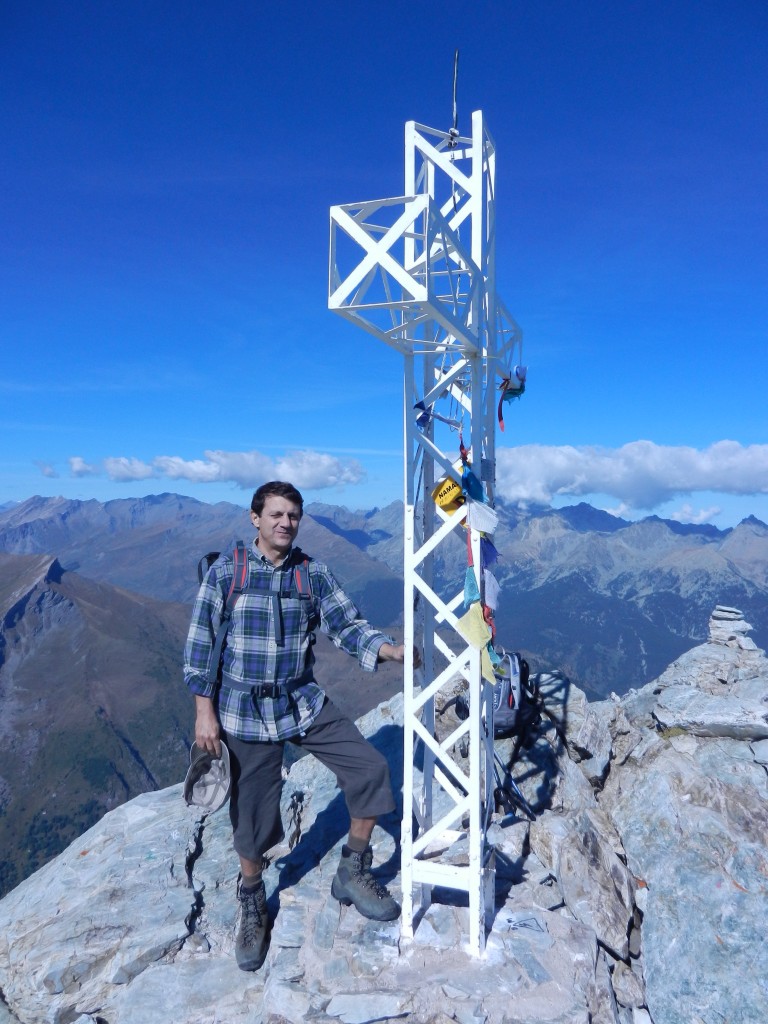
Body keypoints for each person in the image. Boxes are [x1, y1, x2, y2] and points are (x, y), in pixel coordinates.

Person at [184, 480, 415, 972]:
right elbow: (201, 644)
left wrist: (388, 651)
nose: (285, 523)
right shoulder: (228, 572)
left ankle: (352, 870)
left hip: (300, 701)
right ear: (255, 518)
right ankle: (252, 900)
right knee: (252, 816)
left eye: (293, 516)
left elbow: (346, 624)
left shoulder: (312, 574)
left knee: (371, 768)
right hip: (243, 711)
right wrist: (205, 711)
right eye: (276, 515)